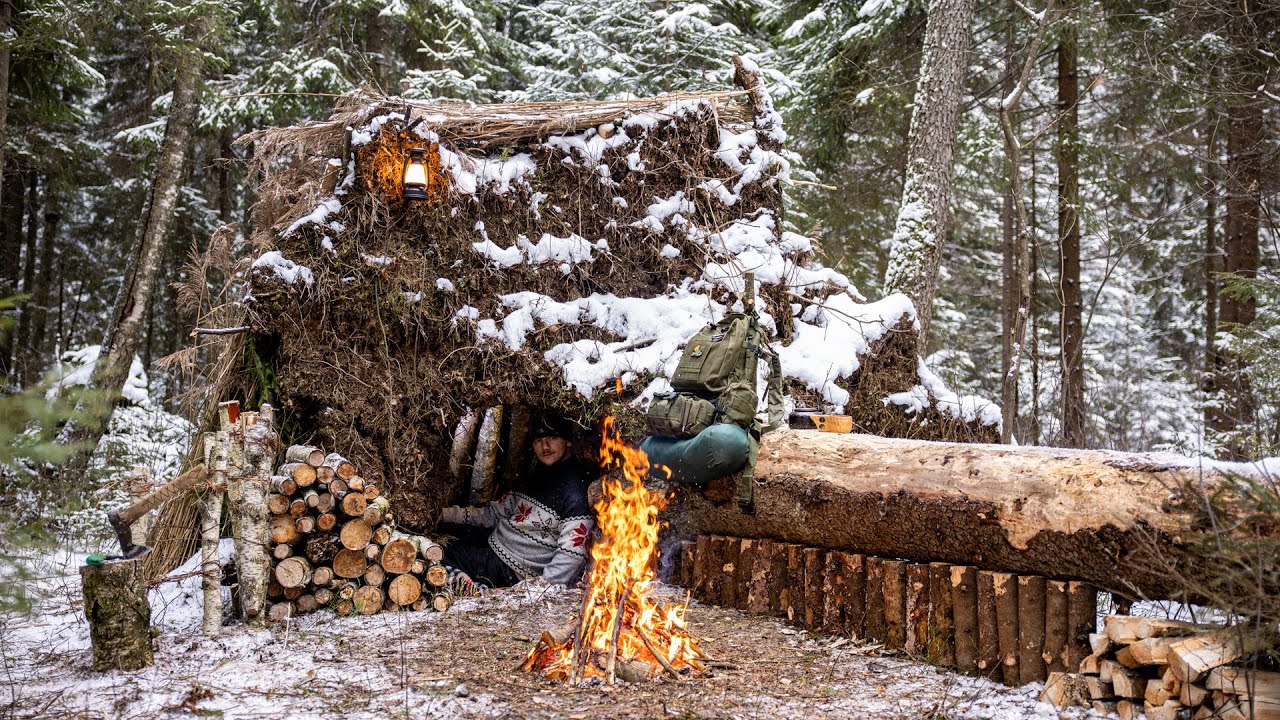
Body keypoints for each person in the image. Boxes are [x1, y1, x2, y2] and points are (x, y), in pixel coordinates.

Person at [438, 416, 594, 589]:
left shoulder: (576, 492)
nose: (545, 446)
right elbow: (494, 513)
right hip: (494, 550)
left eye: (552, 438)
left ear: (568, 441)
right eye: (538, 440)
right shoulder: (535, 478)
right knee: (441, 548)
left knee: (440, 558)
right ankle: (472, 586)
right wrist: (446, 515)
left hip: (511, 570)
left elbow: (572, 553)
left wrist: (540, 586)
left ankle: (476, 591)